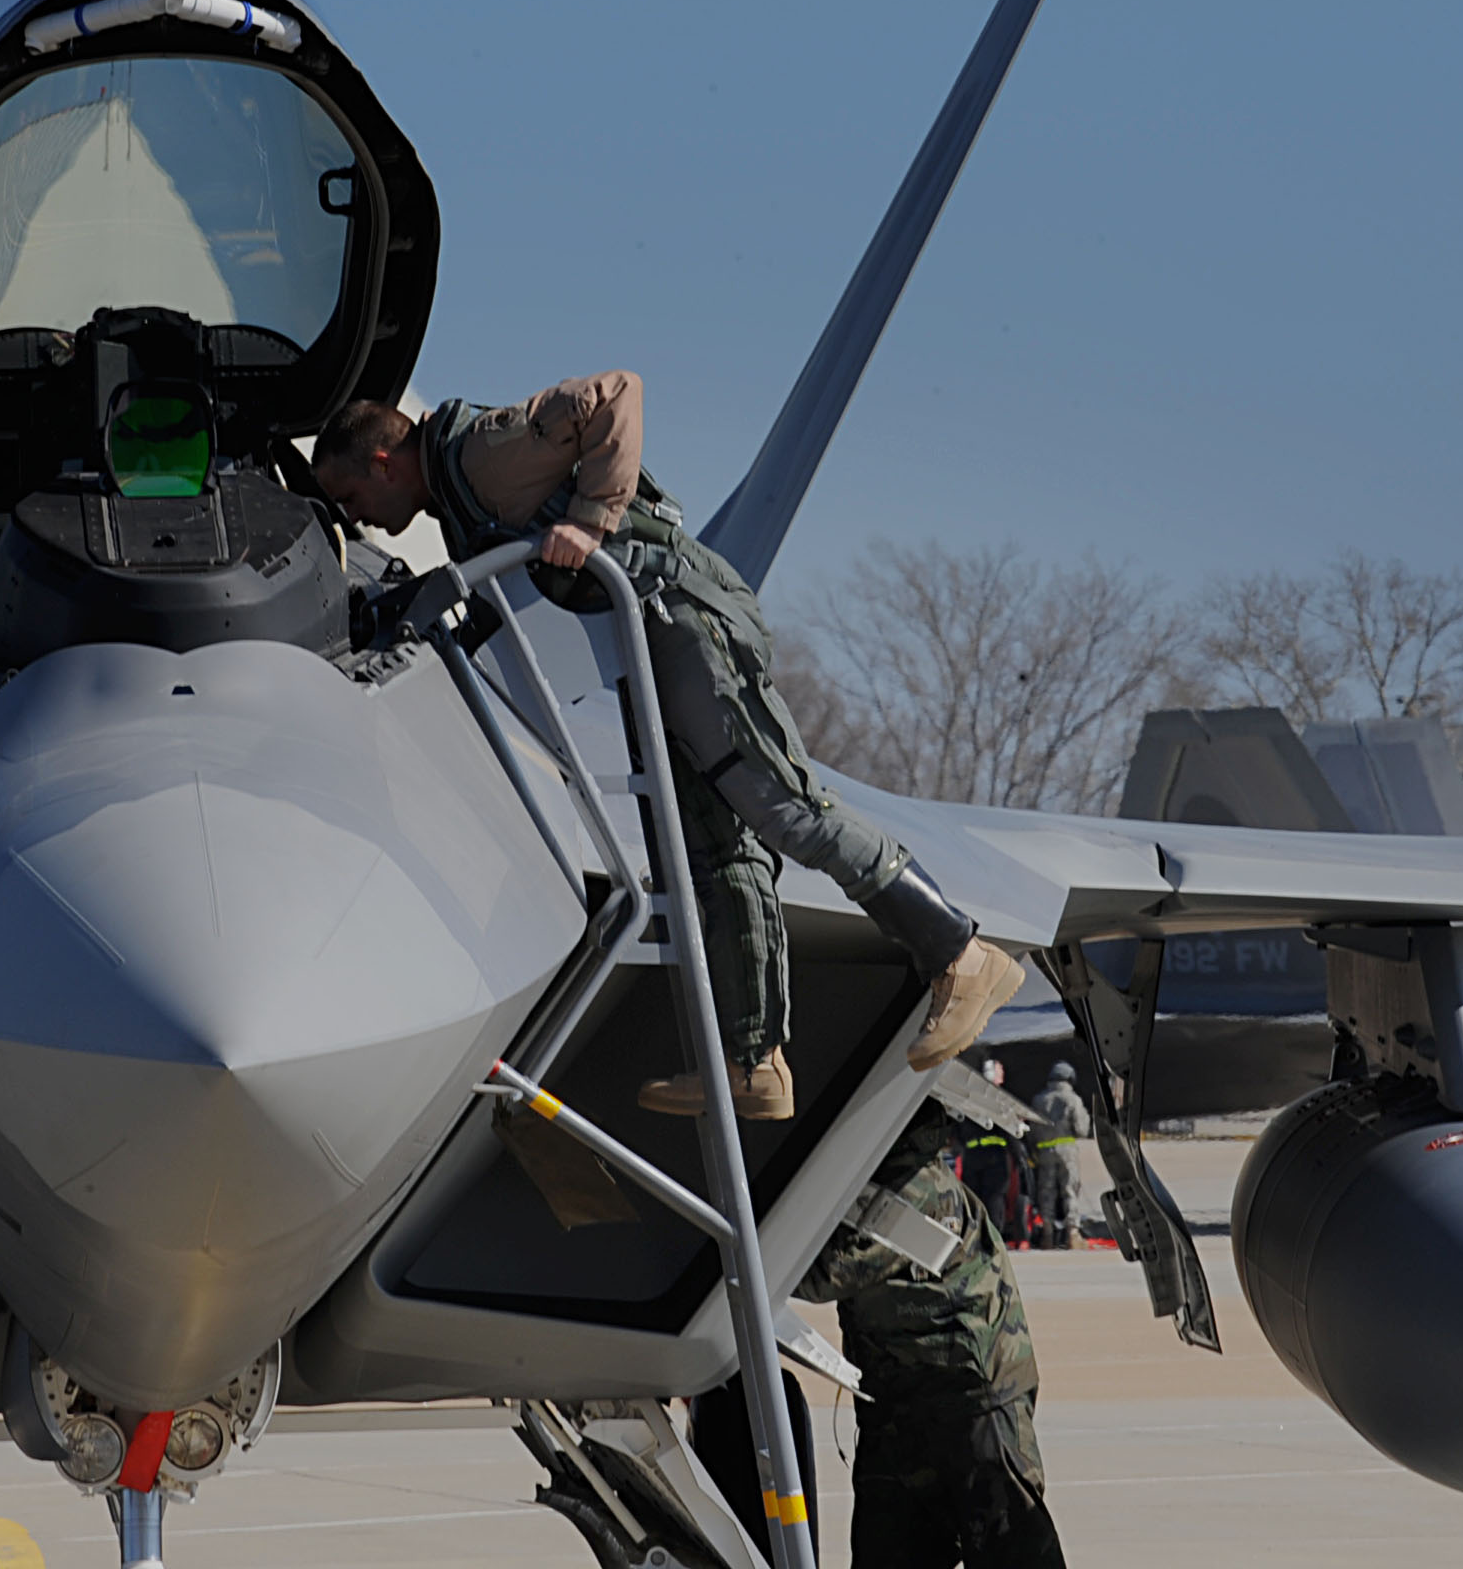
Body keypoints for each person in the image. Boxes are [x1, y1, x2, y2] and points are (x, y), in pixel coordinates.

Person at [312, 374, 1023, 1119]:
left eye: (356, 500)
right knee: (716, 846)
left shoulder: (479, 452)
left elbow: (616, 392)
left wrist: (589, 521)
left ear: (385, 460)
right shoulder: (462, 492)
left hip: (684, 619)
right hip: (651, 644)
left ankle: (959, 956)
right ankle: (755, 1064)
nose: (369, 522)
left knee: (785, 808)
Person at [796, 1101, 1064, 1568]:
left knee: (1013, 1548)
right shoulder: (869, 1184)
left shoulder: (919, 1189)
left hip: (972, 1406)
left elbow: (826, 1270)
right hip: (901, 1408)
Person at [955, 1062, 1025, 1246]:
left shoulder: (969, 1096)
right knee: (994, 1199)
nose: (1003, 1074)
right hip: (994, 1159)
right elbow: (1009, 1129)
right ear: (995, 1075)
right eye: (1000, 1071)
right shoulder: (998, 1099)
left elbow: (957, 1126)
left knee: (974, 1200)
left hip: (971, 1157)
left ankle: (973, 1241)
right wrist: (1018, 1157)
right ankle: (993, 1242)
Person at [1028, 1062, 1090, 1246]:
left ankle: (1047, 1234)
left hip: (1045, 1151)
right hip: (1067, 1152)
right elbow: (1081, 1129)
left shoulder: (1038, 1100)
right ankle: (1072, 1234)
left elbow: (1032, 1131)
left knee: (1046, 1192)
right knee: (1070, 1191)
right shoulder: (1073, 1100)